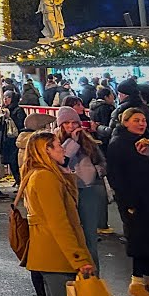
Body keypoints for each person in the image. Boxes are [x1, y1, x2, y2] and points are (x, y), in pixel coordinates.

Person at [19, 130, 98, 296]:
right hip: (57, 256)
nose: (62, 149)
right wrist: (80, 258)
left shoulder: (46, 175)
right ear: (45, 151)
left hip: (49, 256)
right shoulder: (45, 178)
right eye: (55, 146)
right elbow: (60, 224)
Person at [105, 108, 149, 296]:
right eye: (136, 120)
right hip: (135, 202)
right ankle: (136, 283)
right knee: (140, 240)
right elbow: (116, 176)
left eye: (143, 120)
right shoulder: (118, 143)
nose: (142, 123)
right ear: (125, 122)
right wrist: (128, 203)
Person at [53, 107, 104, 270]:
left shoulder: (88, 140)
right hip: (67, 191)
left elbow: (100, 160)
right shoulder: (55, 142)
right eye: (66, 123)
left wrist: (96, 171)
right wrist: (73, 142)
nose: (71, 126)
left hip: (88, 189)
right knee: (72, 235)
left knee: (90, 237)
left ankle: (93, 278)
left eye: (74, 122)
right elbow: (62, 161)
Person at [1, 90, 28, 185]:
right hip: (7, 139)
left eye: (7, 97)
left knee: (15, 161)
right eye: (4, 97)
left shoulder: (18, 110)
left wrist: (10, 118)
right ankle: (17, 180)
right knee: (11, 161)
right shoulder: (4, 109)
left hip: (15, 139)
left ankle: (20, 181)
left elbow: (21, 123)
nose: (5, 100)